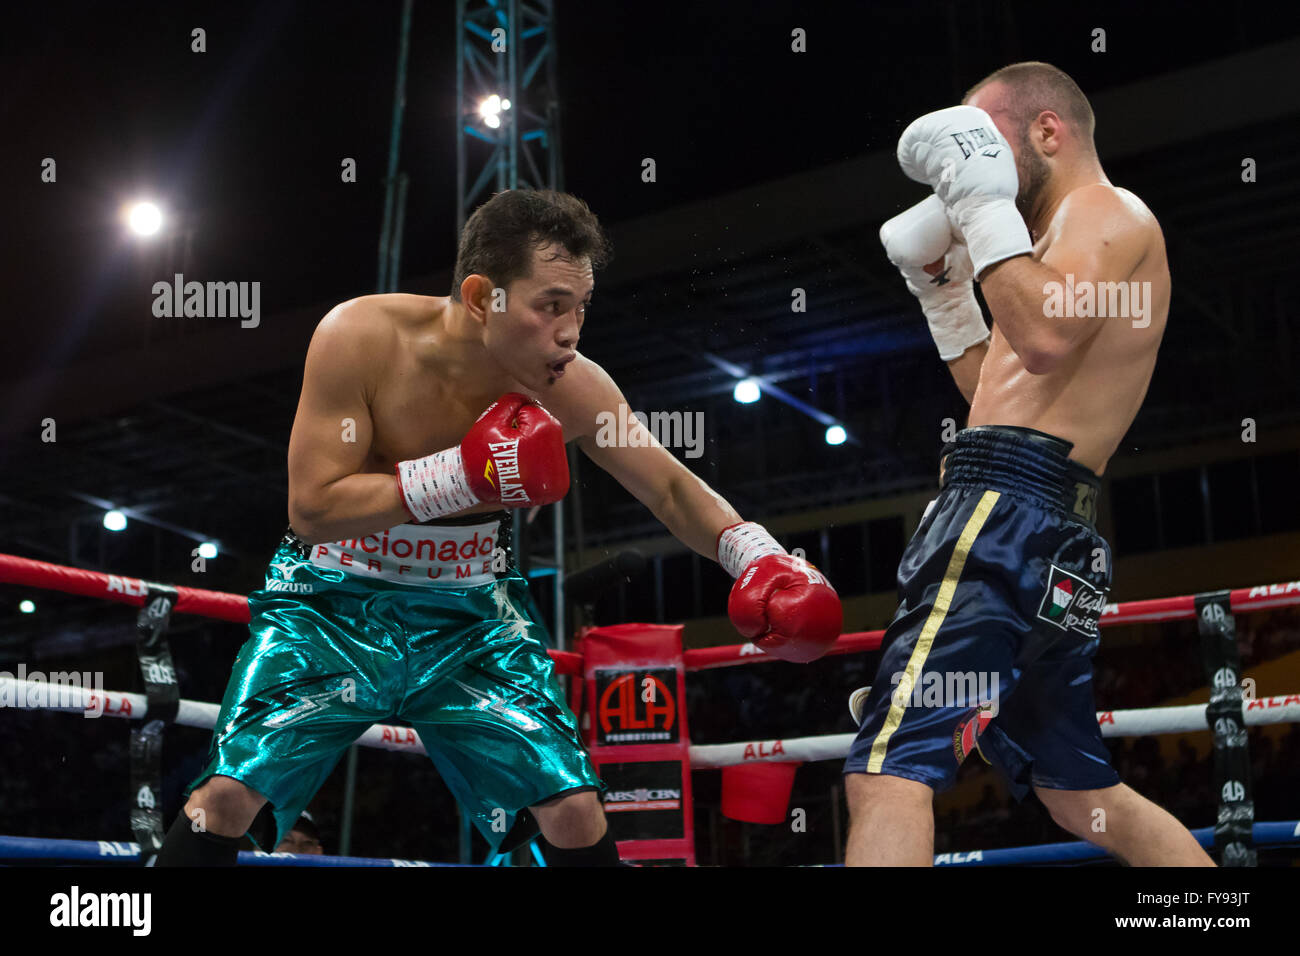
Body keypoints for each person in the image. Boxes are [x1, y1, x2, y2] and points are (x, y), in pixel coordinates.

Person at [156, 189, 842, 867]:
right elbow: (312, 508)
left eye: (581, 307)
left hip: (473, 615)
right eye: (551, 305)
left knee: (572, 810)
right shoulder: (361, 337)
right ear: (484, 296)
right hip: (330, 600)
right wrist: (464, 475)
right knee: (227, 797)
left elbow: (668, 486)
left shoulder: (575, 387)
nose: (571, 331)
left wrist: (757, 557)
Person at [844, 62, 1212, 866]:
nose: (967, 165)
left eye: (985, 141)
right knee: (1082, 796)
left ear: (1049, 132)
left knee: (887, 770)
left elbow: (1042, 338)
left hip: (1003, 517)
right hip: (1047, 531)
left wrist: (979, 209)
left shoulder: (1105, 210)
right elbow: (999, 392)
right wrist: (944, 295)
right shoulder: (1050, 248)